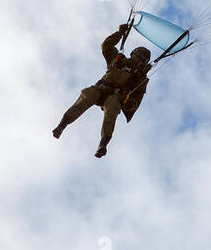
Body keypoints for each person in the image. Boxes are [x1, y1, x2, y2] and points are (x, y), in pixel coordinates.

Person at [52, 23, 152, 158]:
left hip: (115, 97)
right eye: (138, 55)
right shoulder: (118, 59)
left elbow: (136, 101)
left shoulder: (140, 78)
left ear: (144, 63)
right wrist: (120, 33)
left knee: (112, 108)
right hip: (100, 89)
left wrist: (128, 103)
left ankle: (103, 144)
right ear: (132, 53)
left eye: (141, 58)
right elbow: (106, 46)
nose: (138, 58)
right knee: (88, 95)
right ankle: (61, 126)